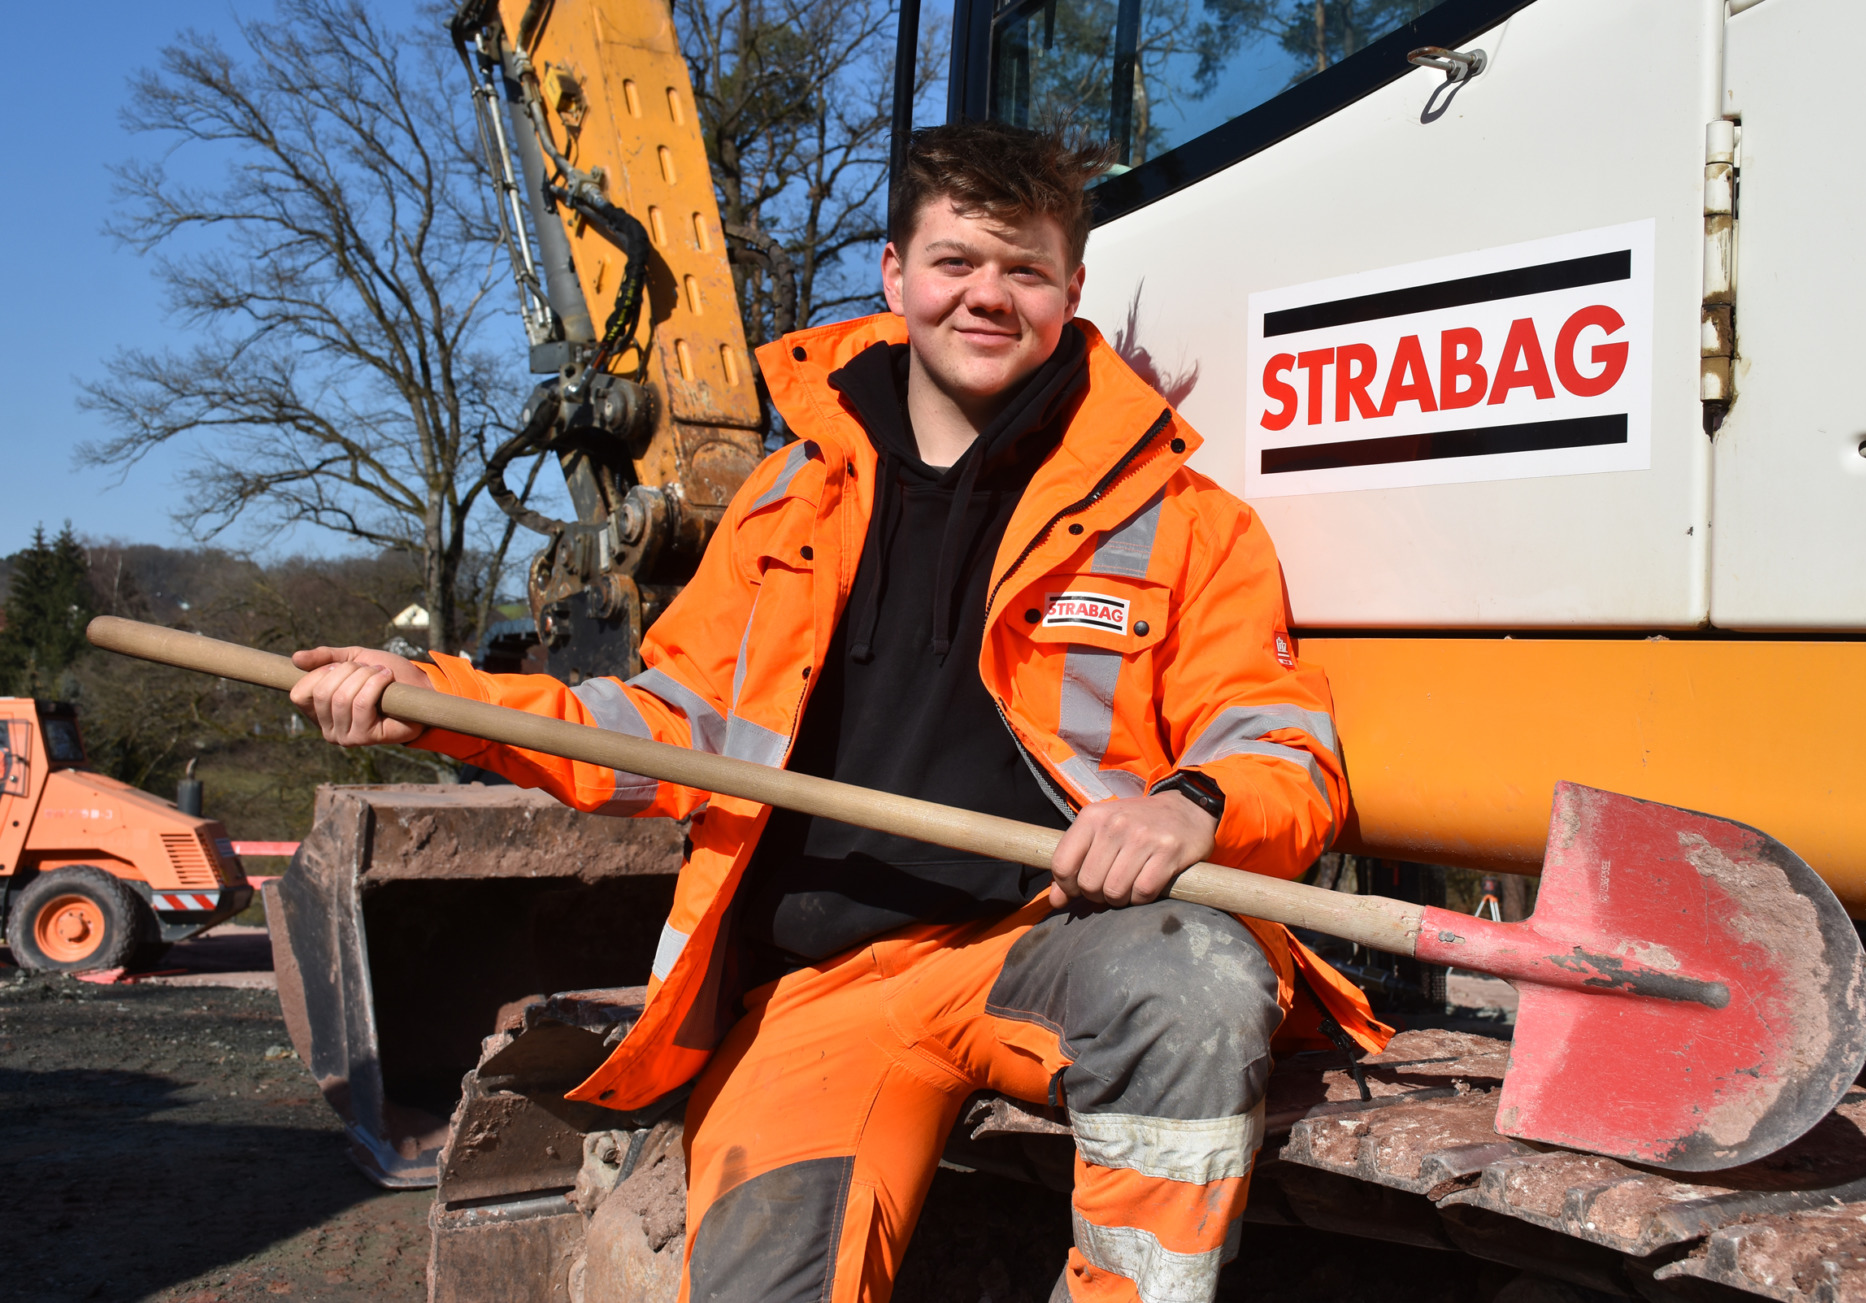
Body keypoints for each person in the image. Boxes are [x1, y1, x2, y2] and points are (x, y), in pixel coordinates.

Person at [290, 121, 1389, 1303]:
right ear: (894, 275)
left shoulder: (1183, 519)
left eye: (1023, 270)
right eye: (957, 261)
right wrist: (438, 702)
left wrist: (1194, 805)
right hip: (823, 986)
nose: (988, 296)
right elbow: (669, 723)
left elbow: (1276, 735)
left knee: (1200, 973)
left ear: (1072, 288)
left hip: (1049, 944)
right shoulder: (785, 501)